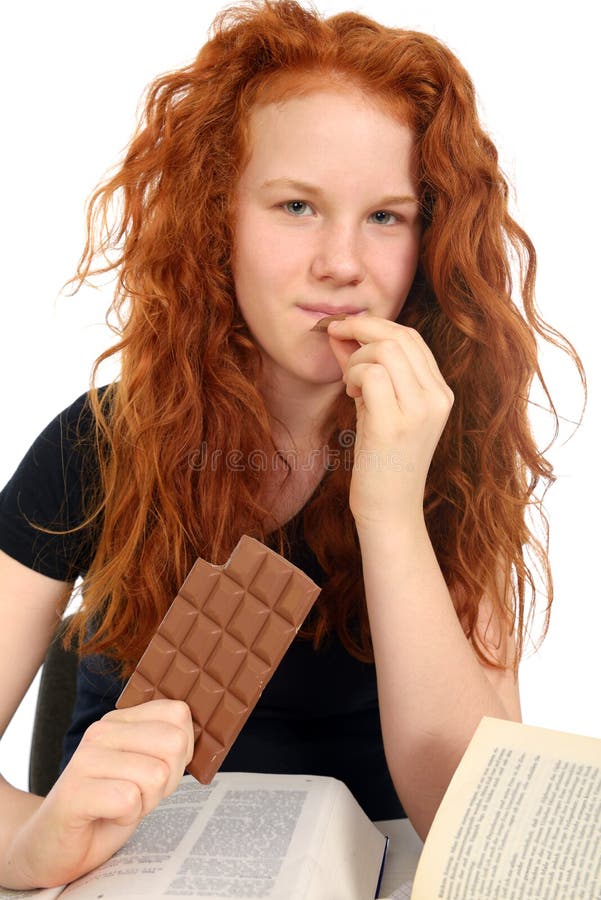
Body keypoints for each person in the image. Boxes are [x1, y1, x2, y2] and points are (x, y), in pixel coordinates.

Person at [0, 0, 584, 890]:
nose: (340, 264)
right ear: (216, 219)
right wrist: (27, 842)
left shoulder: (454, 446)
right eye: (297, 206)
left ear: (429, 241)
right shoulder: (99, 443)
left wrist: (388, 503)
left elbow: (473, 821)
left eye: (385, 217)